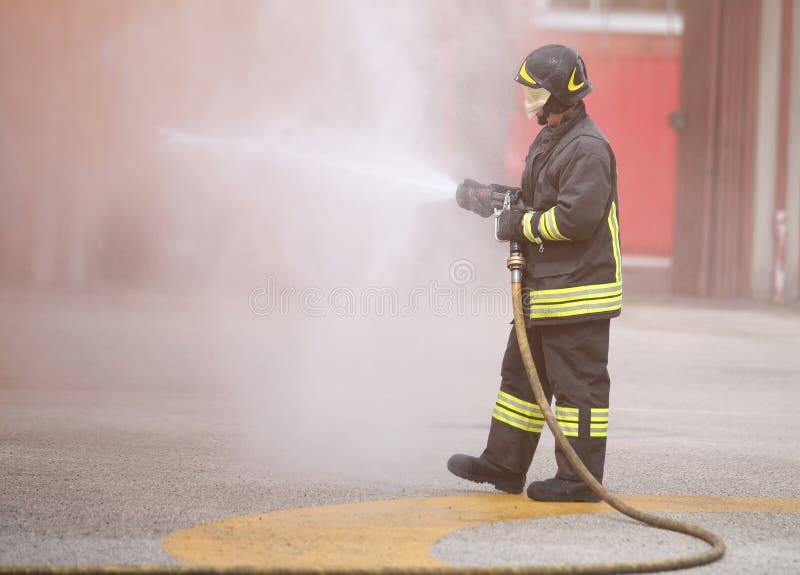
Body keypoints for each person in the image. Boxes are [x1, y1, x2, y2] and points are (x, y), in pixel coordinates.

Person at [449, 44, 622, 502]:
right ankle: (504, 465)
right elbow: (536, 201)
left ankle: (579, 481)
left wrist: (519, 222)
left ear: (556, 93)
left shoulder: (587, 148)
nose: (528, 100)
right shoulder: (553, 138)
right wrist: (491, 199)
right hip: (545, 291)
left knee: (577, 392)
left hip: (577, 295)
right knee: (521, 380)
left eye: (535, 91)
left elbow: (573, 219)